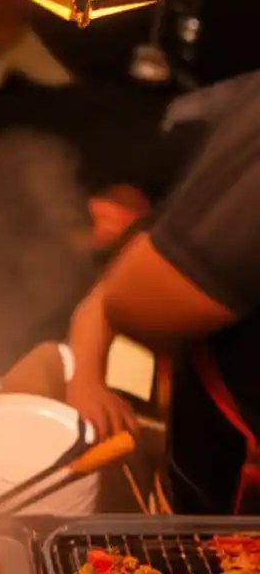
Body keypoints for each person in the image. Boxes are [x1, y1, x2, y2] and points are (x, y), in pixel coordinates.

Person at [96, 84, 260, 514]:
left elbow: (128, 300)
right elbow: (108, 298)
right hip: (198, 454)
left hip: (234, 500)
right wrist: (86, 381)